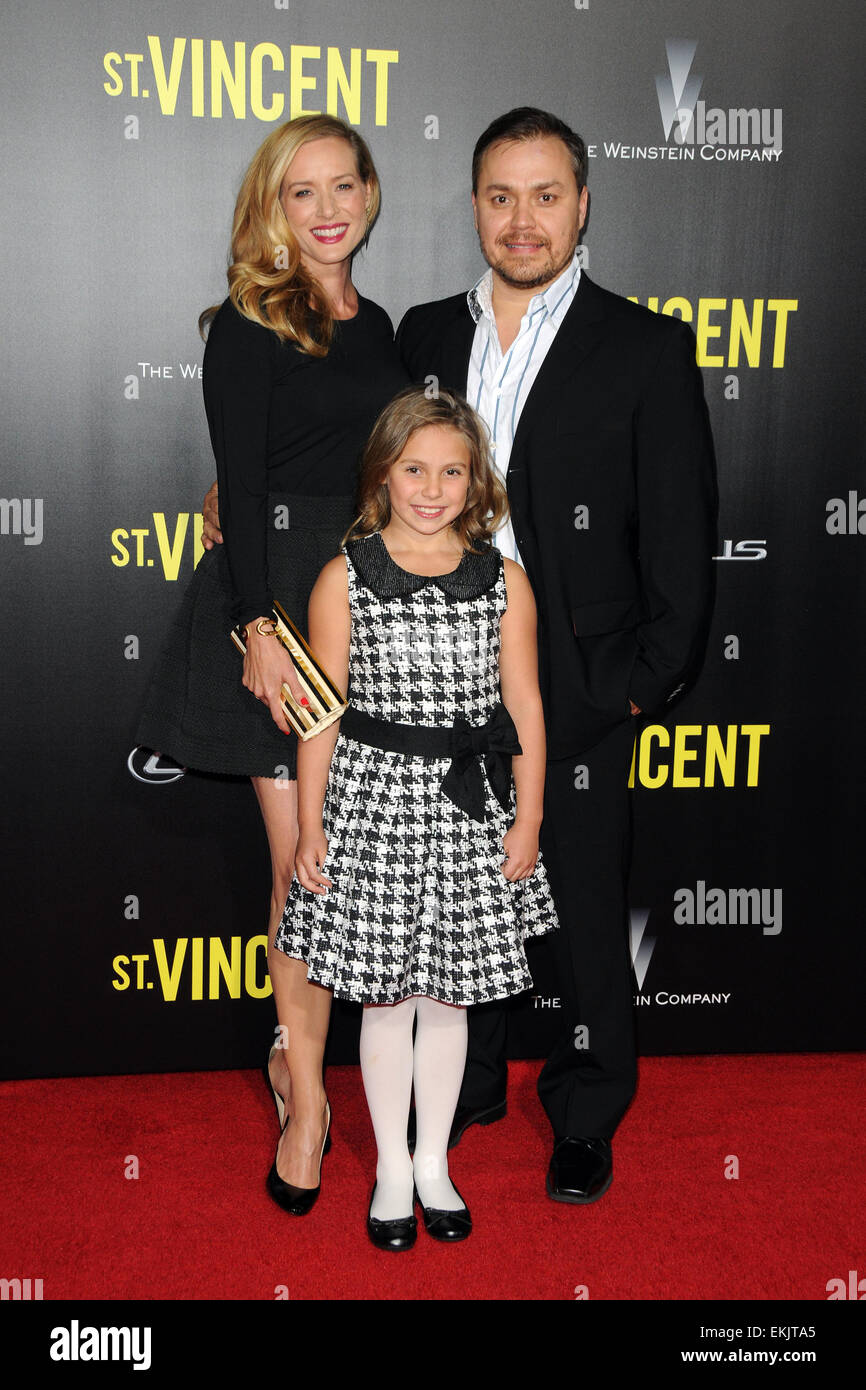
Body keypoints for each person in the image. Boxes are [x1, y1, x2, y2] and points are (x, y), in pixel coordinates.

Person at [395, 108, 718, 1204]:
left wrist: (634, 686)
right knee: (454, 893)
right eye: (500, 196)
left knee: (581, 906)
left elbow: (680, 531)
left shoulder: (643, 347)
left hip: (577, 683)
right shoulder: (422, 337)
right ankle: (470, 1081)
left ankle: (584, 1112)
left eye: (544, 196)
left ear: (583, 205)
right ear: (473, 207)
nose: (521, 220)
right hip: (435, 669)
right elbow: (362, 466)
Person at [135, 114, 408, 1214]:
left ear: (371, 193)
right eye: (302, 191)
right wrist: (255, 623)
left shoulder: (382, 327)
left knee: (352, 860)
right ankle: (305, 1096)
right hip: (280, 608)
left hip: (367, 600)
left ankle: (303, 1065)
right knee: (306, 862)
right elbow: (239, 482)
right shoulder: (247, 324)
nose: (327, 209)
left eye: (344, 185)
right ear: (272, 207)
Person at [271, 386, 559, 1248]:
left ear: (477, 483)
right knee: (388, 999)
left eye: (452, 472)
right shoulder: (344, 577)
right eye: (413, 470)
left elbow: (525, 705)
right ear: (382, 476)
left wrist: (529, 817)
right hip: (374, 806)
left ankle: (434, 1162)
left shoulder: (504, 581)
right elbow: (321, 714)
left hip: (472, 809)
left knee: (450, 998)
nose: (432, 490)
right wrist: (311, 824)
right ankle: (392, 1169)